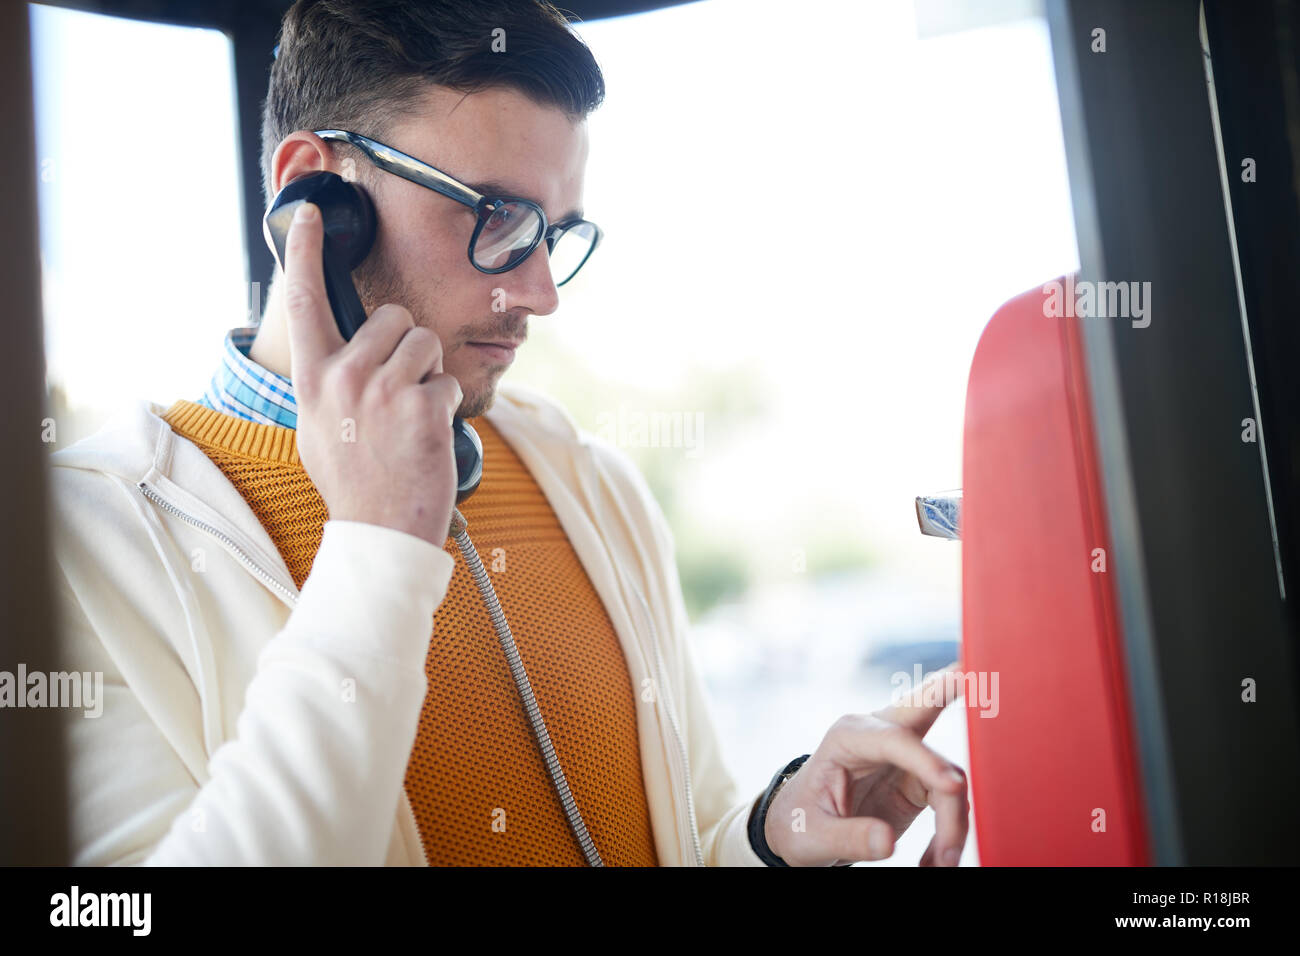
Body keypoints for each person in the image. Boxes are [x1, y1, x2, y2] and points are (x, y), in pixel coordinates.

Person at [48, 0, 969, 866]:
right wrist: (378, 543)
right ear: (314, 192)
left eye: (555, 232)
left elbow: (685, 832)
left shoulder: (587, 481)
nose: (540, 292)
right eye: (494, 216)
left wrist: (771, 834)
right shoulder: (77, 544)